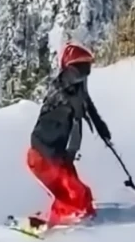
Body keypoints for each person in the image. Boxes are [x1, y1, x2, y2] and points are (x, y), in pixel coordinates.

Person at [25, 41, 112, 230]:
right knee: (72, 195)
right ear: (69, 69)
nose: (83, 74)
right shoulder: (60, 91)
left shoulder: (77, 91)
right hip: (43, 156)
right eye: (80, 68)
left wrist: (102, 130)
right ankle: (56, 223)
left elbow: (89, 109)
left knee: (83, 195)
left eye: (87, 69)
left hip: (59, 156)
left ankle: (73, 219)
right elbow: (68, 101)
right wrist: (57, 160)